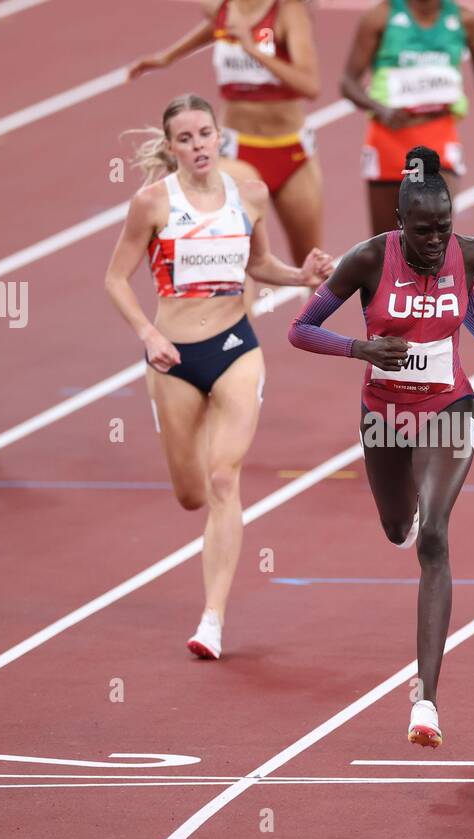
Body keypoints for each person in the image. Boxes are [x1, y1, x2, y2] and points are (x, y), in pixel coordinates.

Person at [287, 146, 474, 747]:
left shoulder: (468, 253)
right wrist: (360, 349)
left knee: (436, 536)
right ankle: (407, 515)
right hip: (383, 414)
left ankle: (427, 703)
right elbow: (300, 329)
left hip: (448, 403)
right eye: (422, 232)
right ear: (400, 225)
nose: (434, 243)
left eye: (442, 229)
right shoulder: (368, 260)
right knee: (399, 527)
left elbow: (465, 297)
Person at [105, 94, 333, 658]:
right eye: (185, 139)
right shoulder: (153, 204)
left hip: (235, 347)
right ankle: (193, 438)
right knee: (190, 494)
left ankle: (212, 619)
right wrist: (149, 335)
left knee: (225, 479)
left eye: (205, 134)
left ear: (218, 137)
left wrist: (300, 275)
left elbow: (257, 265)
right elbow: (113, 279)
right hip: (174, 358)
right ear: (171, 147)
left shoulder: (249, 194)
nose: (199, 145)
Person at [128, 0, 324, 264]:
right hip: (237, 151)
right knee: (234, 258)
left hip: (290, 151)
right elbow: (217, 27)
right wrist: (168, 56)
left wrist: (253, 50)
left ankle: (312, 306)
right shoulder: (222, 9)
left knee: (310, 260)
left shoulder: (288, 11)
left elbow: (310, 85)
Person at [341, 0, 474, 236]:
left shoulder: (464, 19)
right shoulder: (380, 17)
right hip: (389, 138)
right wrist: (381, 109)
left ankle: (434, 273)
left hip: (438, 134)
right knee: (388, 244)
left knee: (433, 228)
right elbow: (348, 83)